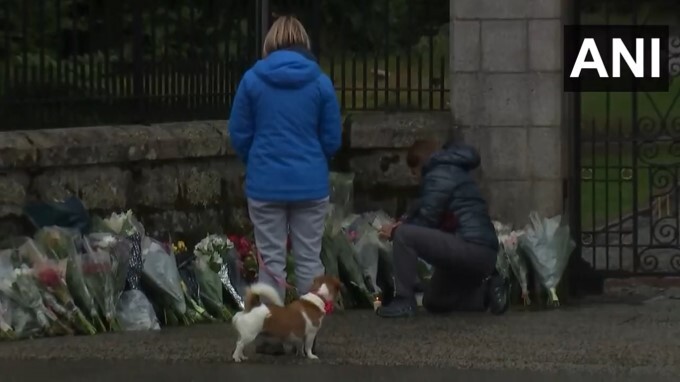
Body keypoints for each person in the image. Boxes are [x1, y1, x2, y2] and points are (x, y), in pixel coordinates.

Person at [228, 16, 342, 352]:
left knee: (271, 263)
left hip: (265, 184)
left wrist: (258, 160)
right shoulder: (320, 82)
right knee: (309, 259)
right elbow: (332, 139)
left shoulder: (252, 80)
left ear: (269, 44)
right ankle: (309, 336)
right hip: (310, 183)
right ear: (305, 43)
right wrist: (313, 159)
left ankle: (273, 335)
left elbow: (239, 134)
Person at [375, 139, 508, 318]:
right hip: (481, 253)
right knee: (434, 301)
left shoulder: (439, 173)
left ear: (422, 163)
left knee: (403, 235)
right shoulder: (451, 170)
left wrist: (396, 231)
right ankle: (486, 294)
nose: (415, 178)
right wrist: (405, 222)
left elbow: (426, 219)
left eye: (414, 172)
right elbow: (426, 209)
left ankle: (404, 301)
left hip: (470, 247)